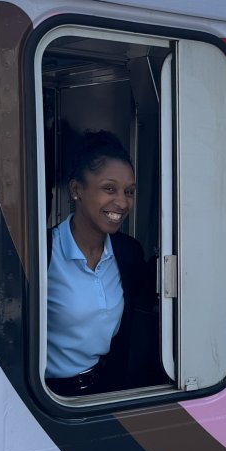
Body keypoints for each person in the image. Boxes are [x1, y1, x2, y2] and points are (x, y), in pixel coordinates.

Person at [45, 132, 156, 397]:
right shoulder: (43, 252)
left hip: (106, 391)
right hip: (48, 399)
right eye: (109, 188)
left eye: (129, 192)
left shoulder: (127, 252)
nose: (122, 202)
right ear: (76, 190)